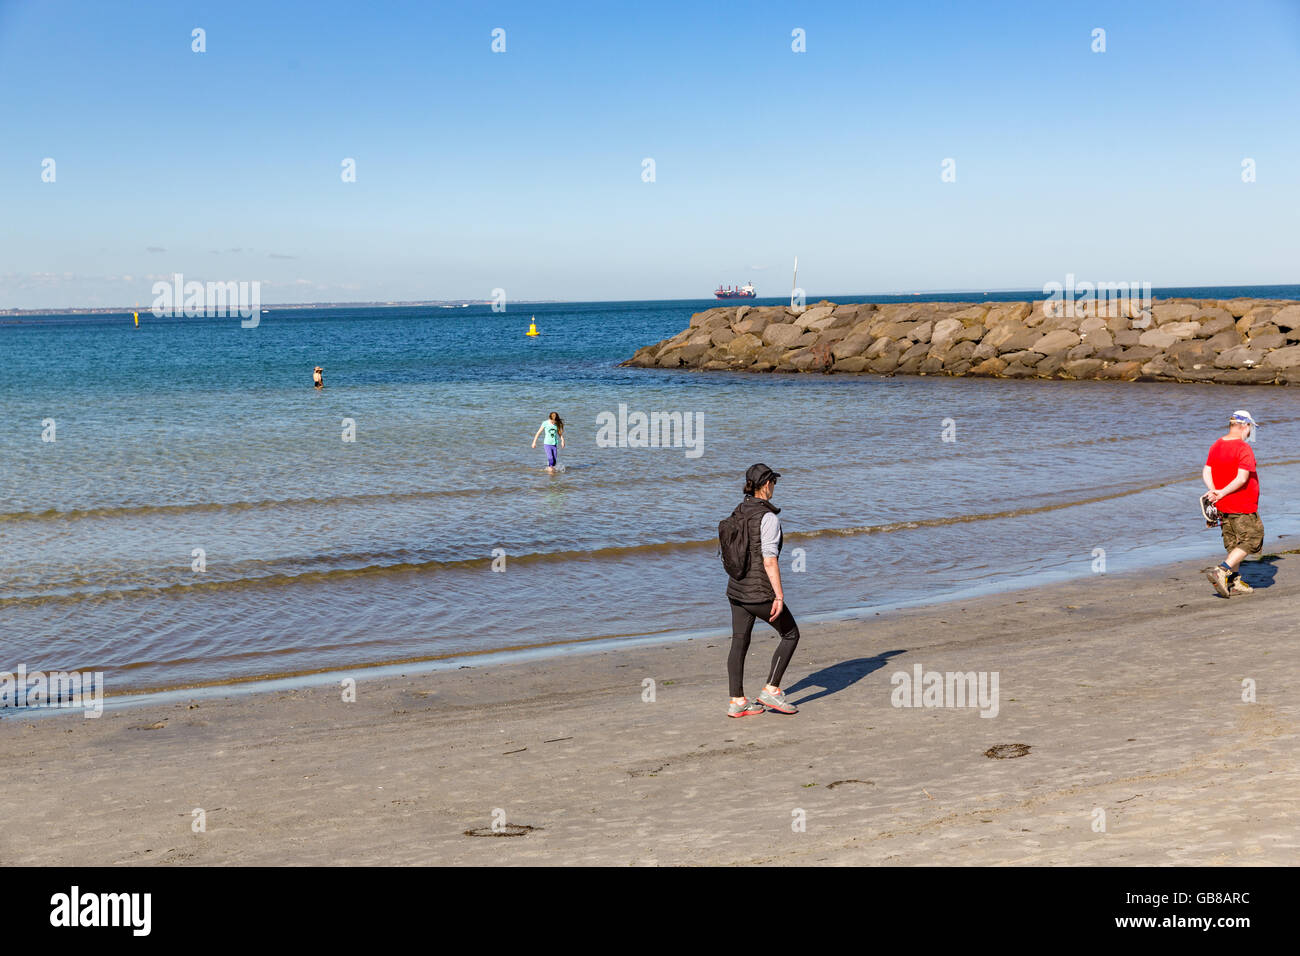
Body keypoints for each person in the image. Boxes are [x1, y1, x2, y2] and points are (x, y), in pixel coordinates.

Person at [724, 463, 800, 717]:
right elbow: (769, 558)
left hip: (736, 590)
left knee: (739, 642)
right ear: (767, 484)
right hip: (759, 593)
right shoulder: (768, 517)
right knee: (790, 634)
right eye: (774, 482)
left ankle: (737, 701)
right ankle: (772, 690)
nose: (775, 486)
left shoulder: (739, 510)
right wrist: (778, 595)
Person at [1203, 410, 1263, 597]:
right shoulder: (1243, 448)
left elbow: (1206, 471)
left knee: (1233, 543)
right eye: (1250, 429)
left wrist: (1214, 491)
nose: (1250, 433)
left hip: (1223, 506)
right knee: (1253, 538)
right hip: (1241, 504)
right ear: (1244, 426)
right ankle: (1222, 570)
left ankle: (1235, 582)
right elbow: (1242, 478)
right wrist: (1221, 492)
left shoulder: (1217, 444)